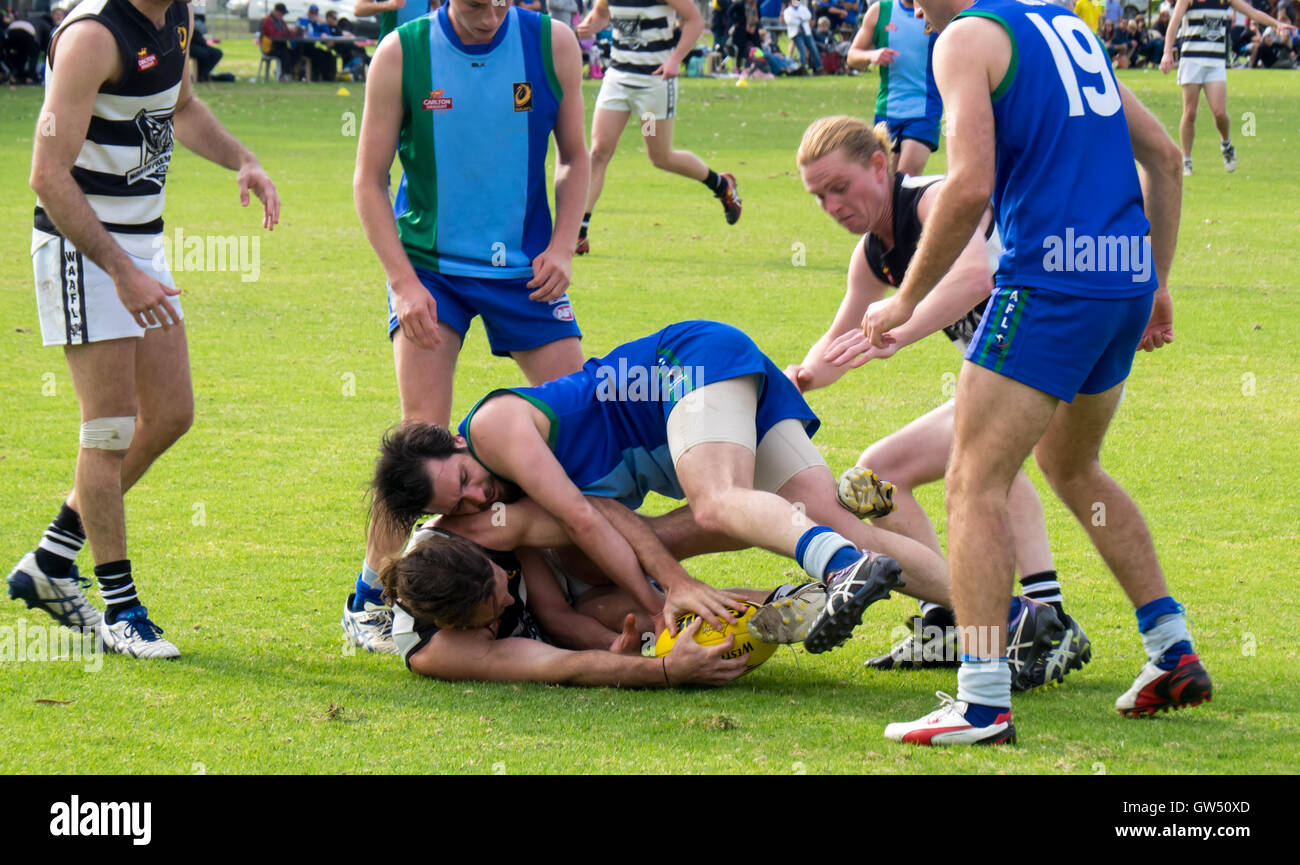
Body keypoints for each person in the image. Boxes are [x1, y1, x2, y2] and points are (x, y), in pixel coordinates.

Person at [865, 0, 1203, 745]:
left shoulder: (967, 40)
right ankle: (1170, 647)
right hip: (1117, 282)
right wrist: (1156, 280)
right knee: (1072, 466)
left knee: (972, 478)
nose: (907, 6)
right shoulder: (1067, 27)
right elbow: (1166, 159)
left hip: (1051, 285)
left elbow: (969, 185)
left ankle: (982, 702)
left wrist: (907, 298)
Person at [368, 321, 991, 662]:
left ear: (453, 440)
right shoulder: (497, 518)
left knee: (716, 505)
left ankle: (836, 569)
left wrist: (667, 595)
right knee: (821, 515)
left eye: (465, 482)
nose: (477, 499)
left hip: (684, 369)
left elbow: (589, 519)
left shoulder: (492, 429)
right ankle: (1008, 621)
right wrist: (647, 634)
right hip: (704, 393)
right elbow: (578, 564)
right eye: (458, 507)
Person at [12, 0, 279, 659]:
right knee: (108, 429)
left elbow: (180, 106)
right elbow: (46, 175)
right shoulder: (91, 38)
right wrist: (121, 271)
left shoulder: (174, 16)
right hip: (84, 250)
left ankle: (51, 558)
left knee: (170, 414)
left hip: (142, 245)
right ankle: (122, 609)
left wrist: (240, 158)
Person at [788, 115, 1088, 684]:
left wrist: (901, 328)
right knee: (876, 475)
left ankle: (1049, 622)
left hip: (1050, 353)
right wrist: (796, 378)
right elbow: (840, 341)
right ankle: (949, 618)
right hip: (1008, 372)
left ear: (879, 166)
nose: (831, 205)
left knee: (986, 459)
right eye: (819, 196)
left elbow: (975, 276)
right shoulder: (873, 253)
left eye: (840, 187)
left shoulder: (932, 201)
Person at [345, 0, 590, 653]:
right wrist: (403, 283)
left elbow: (574, 158)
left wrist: (564, 244)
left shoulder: (553, 43)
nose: (488, 14)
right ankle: (370, 597)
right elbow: (368, 182)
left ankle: (563, 584)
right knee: (420, 439)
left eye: (500, 2)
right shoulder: (403, 53)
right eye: (476, 3)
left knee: (582, 425)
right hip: (431, 270)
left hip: (525, 271)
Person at [386, 524, 757, 686]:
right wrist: (664, 671)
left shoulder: (477, 530)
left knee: (655, 614)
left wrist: (670, 588)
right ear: (455, 625)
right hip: (573, 615)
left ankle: (793, 596)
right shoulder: (440, 650)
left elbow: (584, 518)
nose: (512, 599)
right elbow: (557, 665)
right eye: (498, 610)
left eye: (504, 583)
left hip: (568, 571)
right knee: (643, 625)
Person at [574, 0, 743, 257]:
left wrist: (676, 59)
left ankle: (721, 185)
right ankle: (579, 233)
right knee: (598, 152)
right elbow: (601, 14)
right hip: (618, 81)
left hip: (653, 86)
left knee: (660, 156)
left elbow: (695, 20)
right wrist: (589, 26)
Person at [1161, 0, 1294, 175]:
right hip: (1191, 61)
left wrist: (1276, 23)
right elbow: (1174, 22)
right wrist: (1167, 52)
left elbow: (1252, 13)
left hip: (1215, 62)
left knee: (1219, 112)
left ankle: (1226, 144)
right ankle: (1187, 160)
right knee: (1190, 112)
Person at [848, 0, 943, 176]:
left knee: (905, 177)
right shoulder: (879, 11)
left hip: (924, 110)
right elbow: (852, 56)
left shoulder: (935, 9)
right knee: (885, 179)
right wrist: (872, 55)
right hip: (887, 110)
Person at [260, 3, 302, 80]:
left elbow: (286, 33)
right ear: (276, 11)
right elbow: (272, 35)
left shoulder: (281, 21)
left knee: (297, 52)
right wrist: (287, 32)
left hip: (281, 46)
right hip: (271, 47)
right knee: (285, 53)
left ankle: (285, 72)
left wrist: (295, 32)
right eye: (281, 13)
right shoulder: (267, 21)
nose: (282, 15)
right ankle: (286, 75)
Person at [297, 5, 337, 81]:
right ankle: (315, 77)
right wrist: (320, 35)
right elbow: (307, 33)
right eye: (312, 12)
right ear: (308, 12)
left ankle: (328, 78)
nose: (314, 14)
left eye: (316, 12)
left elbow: (327, 34)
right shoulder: (303, 20)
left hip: (313, 45)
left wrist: (324, 24)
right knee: (318, 54)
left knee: (328, 54)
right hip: (302, 46)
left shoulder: (317, 22)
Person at [784, 0, 822, 73]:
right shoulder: (787, 11)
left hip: (806, 32)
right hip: (796, 33)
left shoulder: (803, 8)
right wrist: (800, 19)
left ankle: (819, 67)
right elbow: (789, 20)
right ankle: (803, 68)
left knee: (814, 50)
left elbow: (808, 16)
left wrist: (798, 18)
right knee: (802, 51)